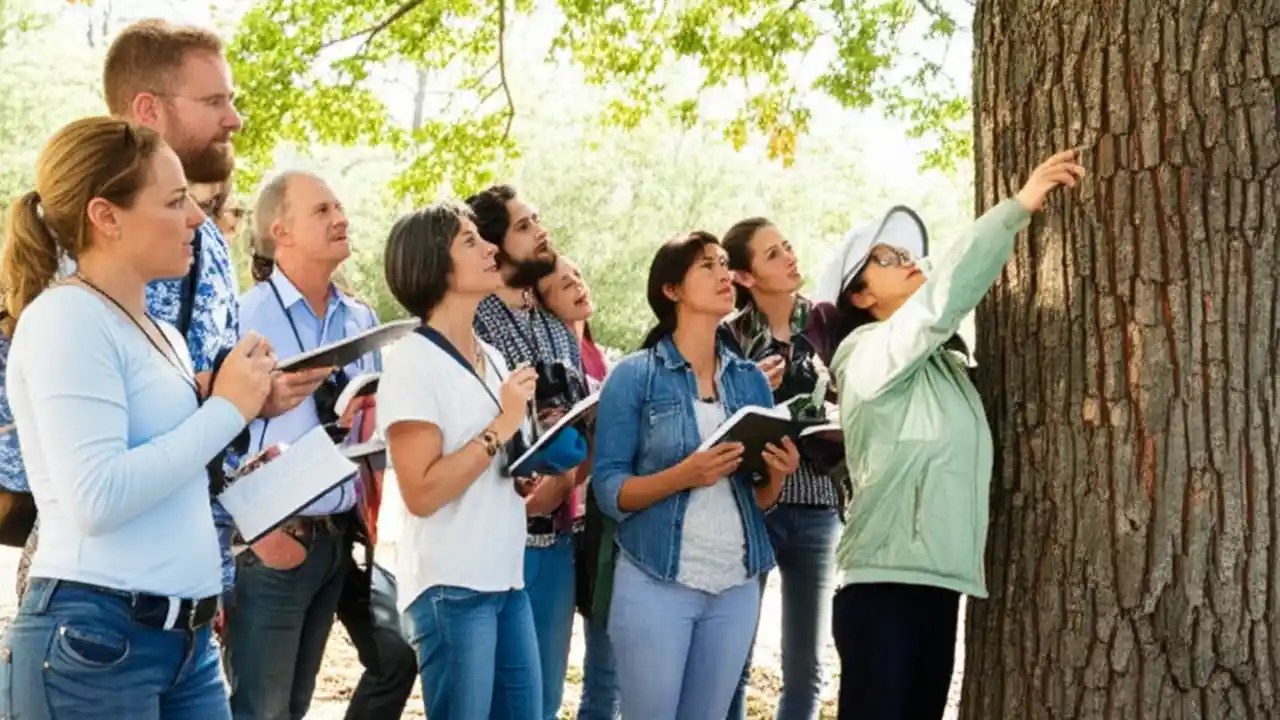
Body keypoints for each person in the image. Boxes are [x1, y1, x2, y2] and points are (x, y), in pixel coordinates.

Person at [0, 116, 274, 718]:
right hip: (95, 646)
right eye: (175, 201)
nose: (197, 220)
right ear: (107, 216)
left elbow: (166, 465)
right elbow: (96, 498)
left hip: (188, 646)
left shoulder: (162, 337)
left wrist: (246, 453)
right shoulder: (66, 320)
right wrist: (227, 409)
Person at [828, 149, 1084, 719]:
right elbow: (939, 304)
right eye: (887, 256)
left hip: (938, 584)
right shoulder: (865, 353)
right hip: (883, 587)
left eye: (907, 250)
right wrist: (1017, 208)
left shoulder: (945, 367)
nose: (909, 260)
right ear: (861, 296)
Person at [223, 170, 413, 720]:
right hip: (274, 541)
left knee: (297, 706)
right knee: (261, 710)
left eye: (340, 207)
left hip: (338, 540)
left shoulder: (361, 320)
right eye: (322, 210)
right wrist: (258, 536)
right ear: (279, 231)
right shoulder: (242, 316)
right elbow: (216, 439)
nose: (341, 217)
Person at [592, 231, 801, 719]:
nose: (724, 273)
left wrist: (777, 476)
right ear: (672, 290)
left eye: (726, 263)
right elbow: (609, 491)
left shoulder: (749, 380)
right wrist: (683, 475)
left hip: (737, 584)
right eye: (707, 265)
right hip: (655, 579)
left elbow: (760, 499)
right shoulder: (634, 375)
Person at [378, 201, 541, 717]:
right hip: (453, 589)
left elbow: (489, 459)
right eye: (470, 241)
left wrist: (521, 469)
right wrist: (502, 427)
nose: (490, 247)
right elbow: (422, 493)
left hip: (507, 579)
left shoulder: (491, 356)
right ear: (435, 264)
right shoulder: (410, 361)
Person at [468, 185, 585, 720]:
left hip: (555, 540)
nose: (541, 229)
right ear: (492, 246)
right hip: (493, 541)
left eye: (537, 218)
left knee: (543, 699)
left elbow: (584, 420)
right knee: (493, 700)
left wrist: (566, 480)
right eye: (523, 225)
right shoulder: (471, 325)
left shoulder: (557, 327)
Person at [719, 217, 842, 720]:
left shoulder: (829, 322)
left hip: (818, 509)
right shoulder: (728, 337)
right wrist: (756, 395)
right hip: (752, 506)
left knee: (806, 665)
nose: (789, 257)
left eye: (787, 246)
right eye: (772, 254)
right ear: (745, 276)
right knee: (735, 657)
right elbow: (718, 422)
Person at [534, 258, 618, 719]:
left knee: (608, 668)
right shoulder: (551, 363)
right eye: (561, 284)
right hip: (566, 523)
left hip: (607, 522)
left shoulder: (605, 359)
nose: (577, 287)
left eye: (578, 277)